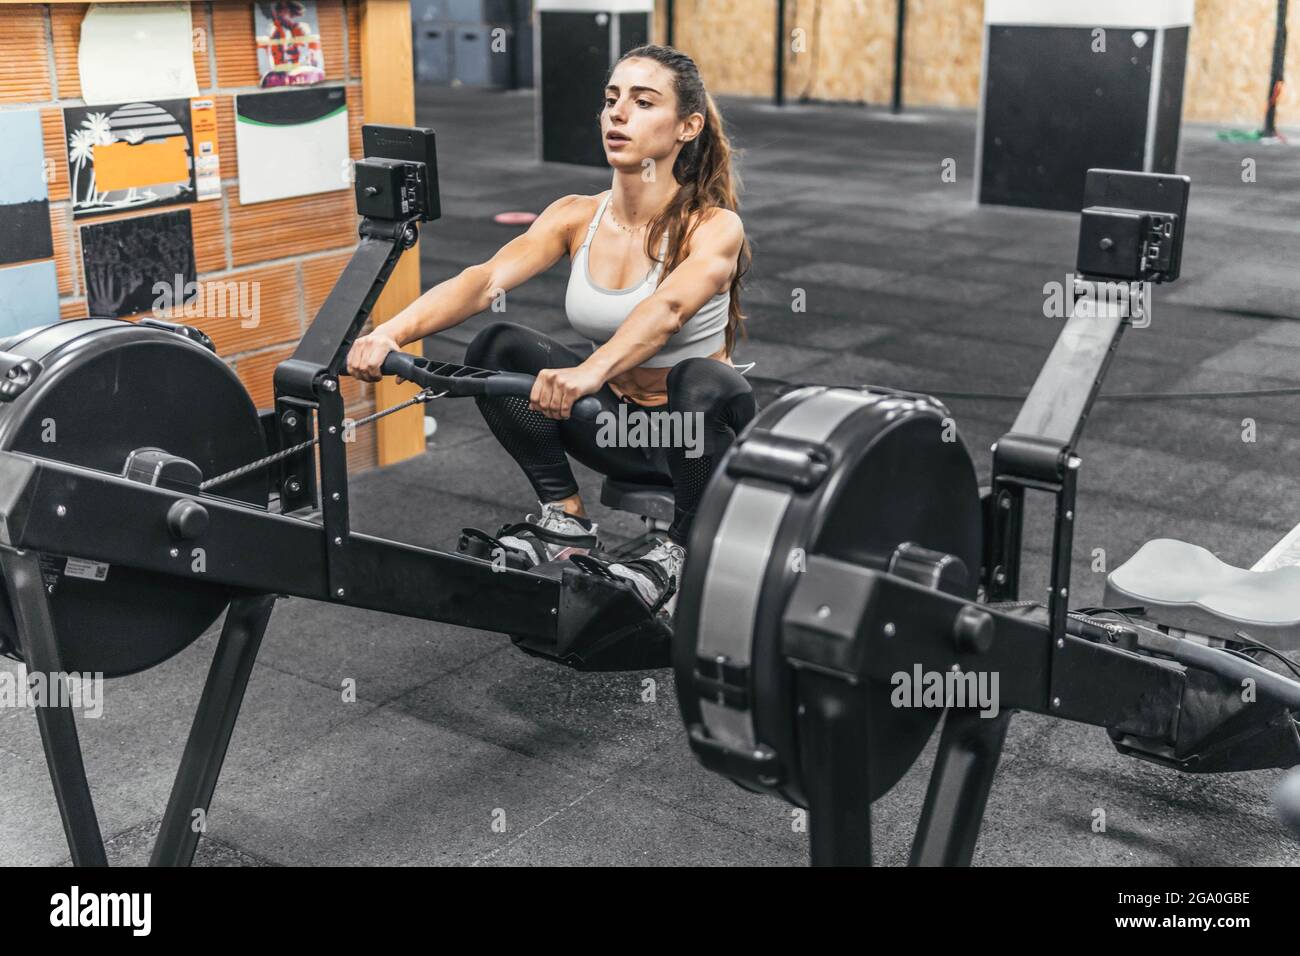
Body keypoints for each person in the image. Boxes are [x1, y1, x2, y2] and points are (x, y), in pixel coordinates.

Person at [347, 44, 756, 617]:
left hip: (696, 439)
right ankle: (566, 520)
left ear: (688, 126)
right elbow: (484, 278)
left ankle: (683, 553)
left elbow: (666, 311)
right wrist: (389, 333)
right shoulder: (575, 215)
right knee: (497, 345)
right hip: (615, 430)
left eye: (642, 102)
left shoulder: (714, 227)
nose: (617, 114)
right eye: (611, 100)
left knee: (702, 378)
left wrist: (586, 372)